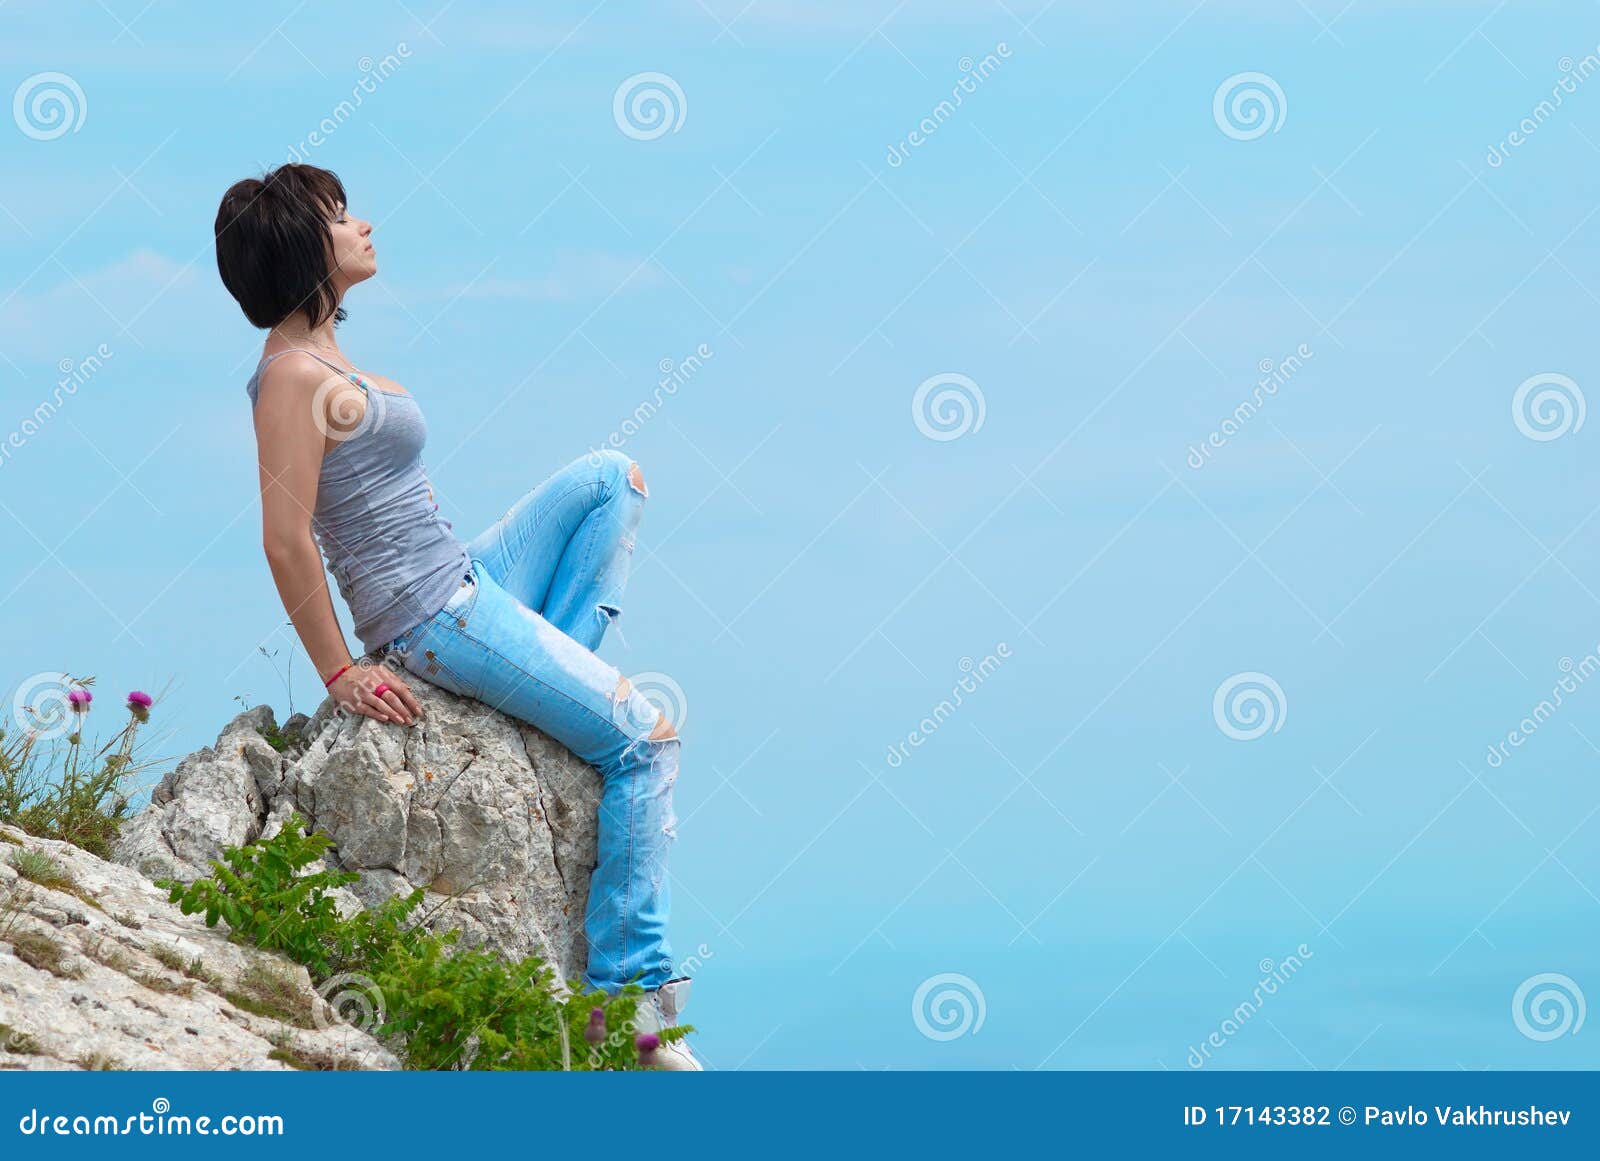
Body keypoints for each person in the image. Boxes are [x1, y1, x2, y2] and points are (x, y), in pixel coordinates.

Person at [214, 162, 699, 1070]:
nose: (365, 225)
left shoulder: (327, 358)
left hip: (464, 577)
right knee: (648, 741)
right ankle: (630, 1007)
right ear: (299, 246)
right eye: (340, 216)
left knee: (611, 477)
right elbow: (286, 539)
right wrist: (339, 670)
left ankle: (550, 696)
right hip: (433, 615)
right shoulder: (286, 378)